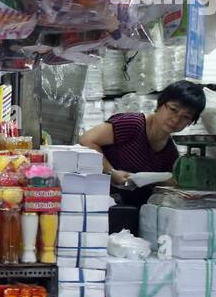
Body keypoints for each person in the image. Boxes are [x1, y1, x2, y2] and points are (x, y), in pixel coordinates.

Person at [78, 79, 206, 204]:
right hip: (95, 202)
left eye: (186, 117)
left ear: (191, 122)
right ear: (160, 104)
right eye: (173, 109)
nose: (176, 119)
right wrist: (111, 172)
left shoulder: (170, 153)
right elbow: (86, 140)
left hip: (130, 210)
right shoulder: (133, 124)